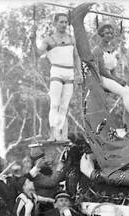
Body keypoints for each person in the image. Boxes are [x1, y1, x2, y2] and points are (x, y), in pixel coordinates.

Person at [38, 13, 76, 141]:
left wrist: (79, 73)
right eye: (61, 22)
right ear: (55, 23)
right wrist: (32, 40)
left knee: (64, 106)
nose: (64, 24)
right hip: (57, 71)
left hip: (70, 72)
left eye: (66, 22)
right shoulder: (49, 39)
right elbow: (37, 53)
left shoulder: (71, 38)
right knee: (55, 104)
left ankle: (61, 134)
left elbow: (76, 57)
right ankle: (53, 134)